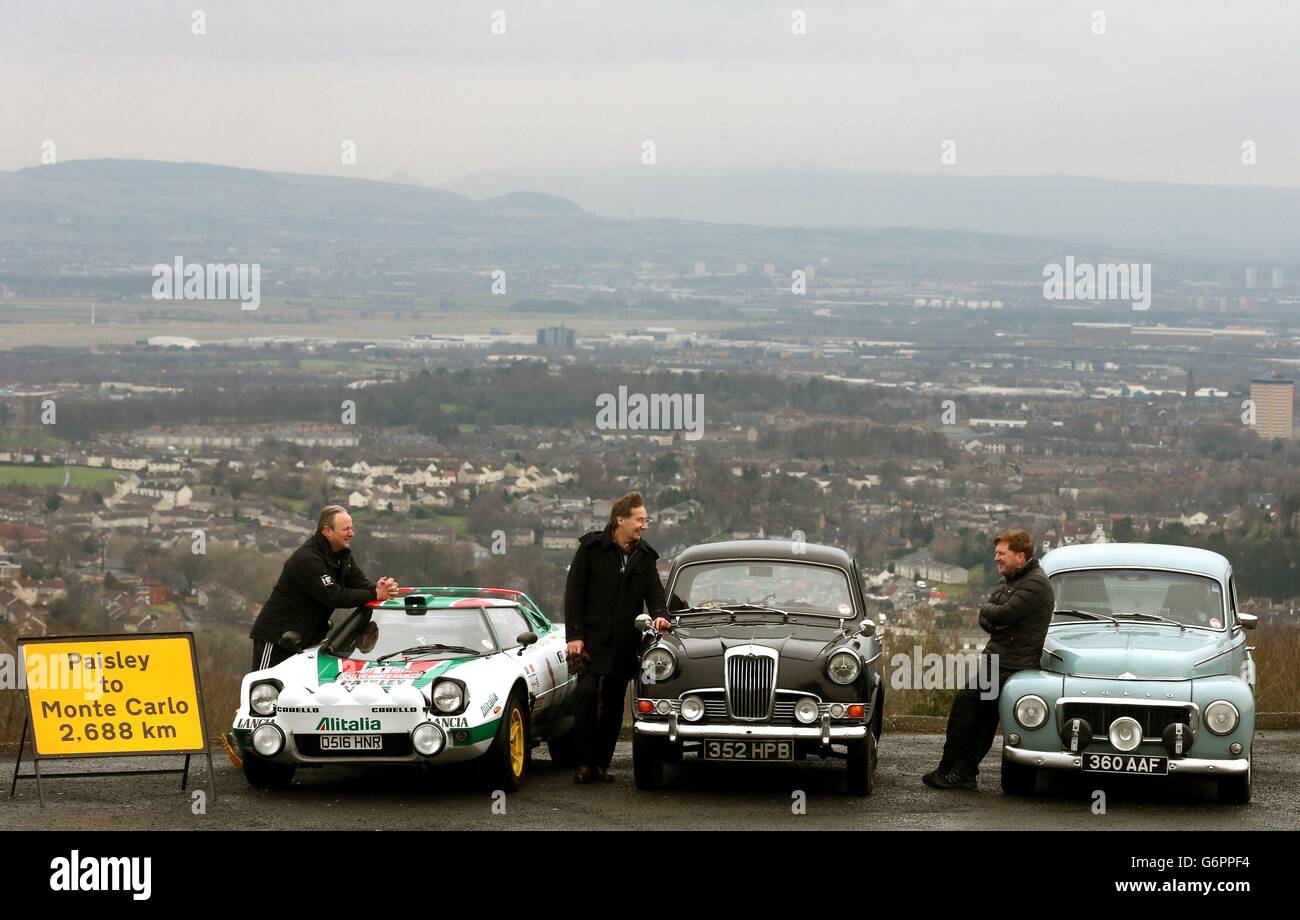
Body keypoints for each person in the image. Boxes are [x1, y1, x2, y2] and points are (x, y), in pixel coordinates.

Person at [923, 529, 1054, 790]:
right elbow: (990, 620)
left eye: (1001, 553)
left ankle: (950, 769)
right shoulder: (1013, 579)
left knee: (966, 706)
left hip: (1011, 665)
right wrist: (992, 615)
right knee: (983, 719)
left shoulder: (1035, 583)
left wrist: (989, 611)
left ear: (1020, 556)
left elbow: (1000, 614)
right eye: (996, 553)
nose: (996, 558)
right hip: (1000, 661)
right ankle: (961, 772)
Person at [563, 491, 670, 784]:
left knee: (612, 704)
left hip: (625, 644)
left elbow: (655, 596)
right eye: (640, 520)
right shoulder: (591, 549)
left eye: (646, 520)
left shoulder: (645, 557)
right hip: (588, 641)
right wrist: (574, 635)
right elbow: (574, 594)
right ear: (621, 520)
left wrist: (661, 615)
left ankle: (599, 764)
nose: (644, 525)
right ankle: (582, 762)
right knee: (585, 694)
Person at [248, 505, 399, 671]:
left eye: (351, 528)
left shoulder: (343, 556)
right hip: (277, 638)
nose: (351, 533)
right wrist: (375, 594)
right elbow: (334, 596)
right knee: (265, 689)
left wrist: (382, 589)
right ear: (327, 531)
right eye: (346, 529)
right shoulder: (307, 559)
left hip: (305, 641)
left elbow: (360, 584)